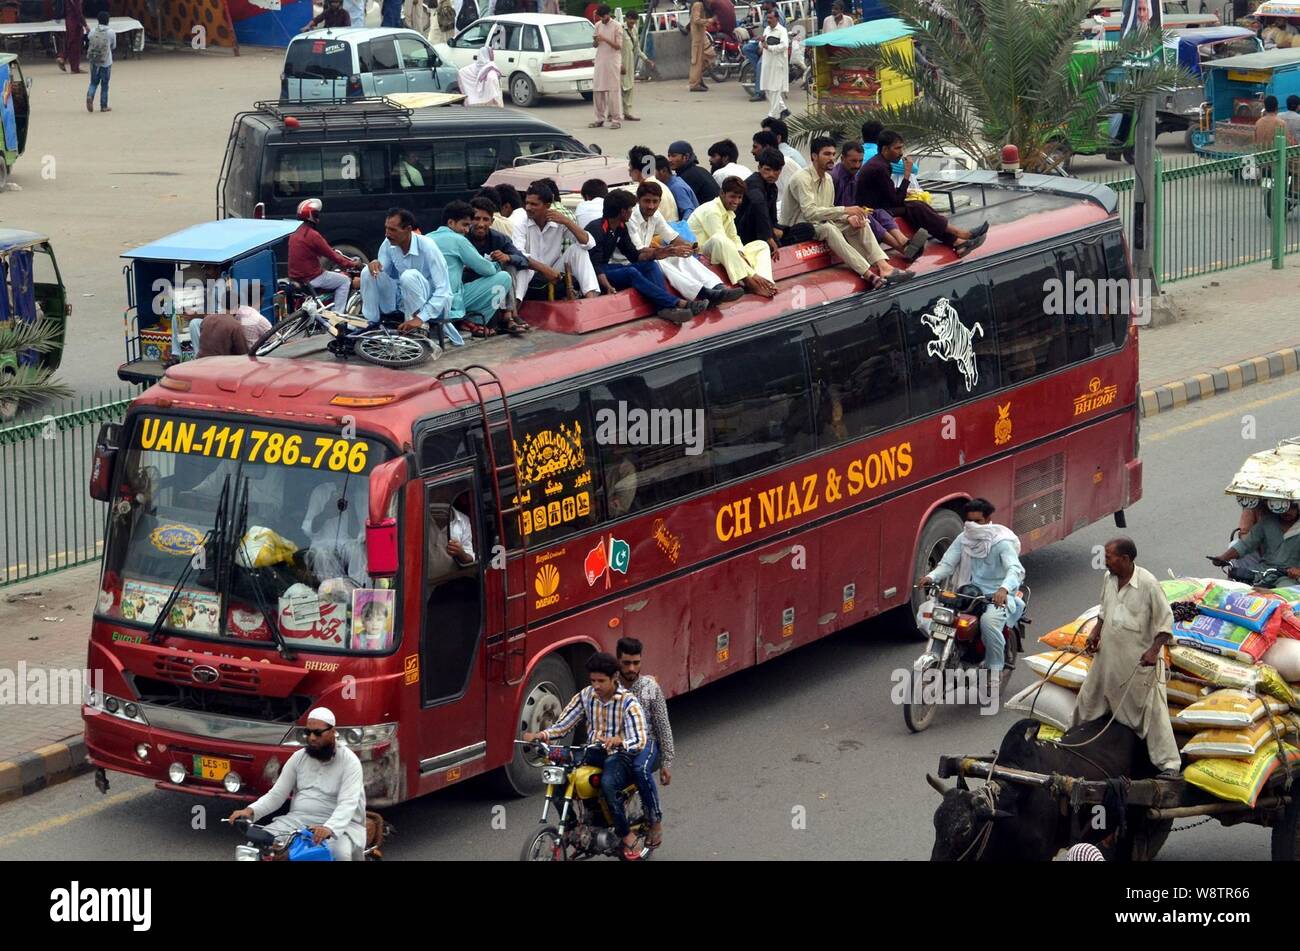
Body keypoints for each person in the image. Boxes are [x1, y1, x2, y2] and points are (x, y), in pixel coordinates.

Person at [523, 652, 652, 860]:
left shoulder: (629, 703)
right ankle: (573, 827)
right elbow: (563, 724)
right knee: (559, 772)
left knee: (609, 784)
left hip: (620, 755)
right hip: (593, 751)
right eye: (593, 681)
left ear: (614, 679)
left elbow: (640, 740)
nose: (596, 686)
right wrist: (541, 735)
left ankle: (625, 834)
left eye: (601, 681)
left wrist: (620, 741)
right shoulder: (586, 696)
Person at [1073, 538, 1182, 779]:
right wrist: (1095, 632)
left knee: (1152, 713)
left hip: (1138, 663)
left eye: (1109, 557)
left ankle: (1170, 765)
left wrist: (1153, 652)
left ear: (1125, 559)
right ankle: (1073, 742)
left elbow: (1165, 624)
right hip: (1107, 657)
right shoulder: (1109, 579)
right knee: (1089, 697)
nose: (1105, 562)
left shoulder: (1148, 585)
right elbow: (1104, 609)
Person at [228, 708, 366, 861]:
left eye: (318, 733)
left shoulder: (350, 762)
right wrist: (250, 811)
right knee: (256, 846)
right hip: (297, 821)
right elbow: (276, 795)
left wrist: (329, 828)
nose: (312, 738)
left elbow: (348, 803)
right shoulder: (298, 758)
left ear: (333, 732)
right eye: (308, 733)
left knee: (340, 854)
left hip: (341, 826)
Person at [784, 136, 915, 288]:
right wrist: (846, 211)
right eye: (826, 154)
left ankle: (884, 267)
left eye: (833, 154)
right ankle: (868, 273)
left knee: (861, 221)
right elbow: (811, 213)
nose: (831, 158)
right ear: (814, 156)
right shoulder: (802, 179)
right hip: (798, 228)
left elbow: (828, 211)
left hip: (819, 224)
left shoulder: (827, 179)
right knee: (830, 229)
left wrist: (848, 218)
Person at [917, 498, 1025, 681]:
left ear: (988, 519)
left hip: (995, 595)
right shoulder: (963, 538)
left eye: (978, 521)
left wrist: (1004, 589)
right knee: (942, 618)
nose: (973, 525)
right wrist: (931, 577)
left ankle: (994, 670)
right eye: (969, 521)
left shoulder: (1001, 542)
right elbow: (947, 563)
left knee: (989, 623)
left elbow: (1015, 569)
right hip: (966, 591)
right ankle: (949, 654)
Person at [856, 131, 988, 256]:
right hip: (875, 210)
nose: (901, 153)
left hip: (881, 204)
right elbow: (895, 200)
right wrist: (906, 175)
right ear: (885, 149)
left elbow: (886, 191)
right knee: (916, 208)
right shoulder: (879, 167)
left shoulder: (880, 163)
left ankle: (958, 242)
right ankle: (960, 234)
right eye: (897, 148)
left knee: (918, 207)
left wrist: (903, 191)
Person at [590, 190, 708, 324]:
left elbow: (634, 255)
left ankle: (664, 308)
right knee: (630, 272)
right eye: (629, 209)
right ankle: (679, 303)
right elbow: (594, 265)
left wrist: (658, 253)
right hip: (595, 272)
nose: (631, 211)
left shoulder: (620, 228)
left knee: (650, 265)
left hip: (606, 268)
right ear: (622, 212)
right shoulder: (597, 229)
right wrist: (607, 286)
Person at [625, 180, 744, 306]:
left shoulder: (655, 214)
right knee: (663, 263)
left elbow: (672, 236)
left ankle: (717, 286)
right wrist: (668, 251)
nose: (651, 206)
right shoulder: (631, 218)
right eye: (647, 201)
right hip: (632, 261)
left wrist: (690, 246)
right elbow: (639, 252)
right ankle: (704, 292)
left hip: (650, 255)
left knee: (683, 256)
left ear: (660, 201)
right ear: (638, 200)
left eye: (655, 201)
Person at [361, 207, 457, 344]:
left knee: (409, 275)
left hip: (432, 303)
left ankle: (418, 328)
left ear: (408, 229)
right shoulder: (388, 243)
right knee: (368, 272)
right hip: (403, 298)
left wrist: (420, 318)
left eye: (393, 230)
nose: (387, 234)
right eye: (386, 228)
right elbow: (382, 272)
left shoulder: (428, 246)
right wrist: (375, 264)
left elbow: (444, 290)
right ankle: (371, 322)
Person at [615, 636, 675, 851]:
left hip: (646, 744)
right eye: (626, 663)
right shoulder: (607, 685)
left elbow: (663, 726)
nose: (632, 668)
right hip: (617, 746)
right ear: (618, 661)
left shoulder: (650, 688)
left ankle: (655, 820)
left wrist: (667, 762)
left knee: (640, 770)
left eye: (636, 663)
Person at [432, 200, 521, 336]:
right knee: (504, 278)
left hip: (429, 302)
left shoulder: (428, 237)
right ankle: (473, 321)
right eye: (465, 225)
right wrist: (496, 263)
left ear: (491, 221)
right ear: (450, 223)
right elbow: (488, 270)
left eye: (485, 219)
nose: (467, 229)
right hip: (450, 301)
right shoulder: (459, 240)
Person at [688, 176, 777, 298]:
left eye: (739, 197)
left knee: (761, 245)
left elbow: (734, 238)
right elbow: (721, 240)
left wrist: (741, 253)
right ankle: (750, 281)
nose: (736, 201)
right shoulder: (711, 210)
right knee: (720, 239)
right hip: (702, 254)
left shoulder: (728, 211)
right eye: (732, 197)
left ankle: (766, 282)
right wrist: (750, 272)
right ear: (722, 194)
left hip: (723, 251)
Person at [832, 140, 924, 258]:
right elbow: (832, 207)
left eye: (860, 161)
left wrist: (862, 209)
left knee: (879, 212)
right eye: (853, 161)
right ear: (843, 158)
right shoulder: (835, 178)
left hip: (853, 212)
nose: (857, 165)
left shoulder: (854, 175)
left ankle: (904, 241)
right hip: (840, 217)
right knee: (867, 217)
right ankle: (903, 249)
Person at [511, 182, 601, 302]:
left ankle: (591, 300)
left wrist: (567, 221)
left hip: (555, 270)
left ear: (547, 205)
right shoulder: (520, 221)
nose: (528, 208)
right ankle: (514, 308)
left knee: (579, 250)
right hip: (531, 271)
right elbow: (519, 255)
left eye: (533, 204)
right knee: (524, 266)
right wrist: (545, 269)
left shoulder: (558, 220)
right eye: (527, 203)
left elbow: (589, 243)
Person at [289, 198, 359, 309]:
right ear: (311, 215)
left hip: (296, 278)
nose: (318, 218)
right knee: (345, 281)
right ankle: (338, 316)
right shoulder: (312, 235)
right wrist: (352, 264)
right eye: (316, 214)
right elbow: (332, 256)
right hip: (312, 278)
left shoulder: (294, 232)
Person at [1211, 502, 1300, 585]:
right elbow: (1245, 544)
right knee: (1238, 584)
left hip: (1288, 576)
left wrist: (1298, 571)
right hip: (1264, 570)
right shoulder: (1268, 522)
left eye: (1293, 507)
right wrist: (1223, 557)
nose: (1288, 511)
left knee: (1286, 594)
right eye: (1284, 507)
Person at [742, 1, 785, 103]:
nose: (761, 5)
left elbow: (775, 35)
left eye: (763, 3)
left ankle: (759, 93)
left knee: (761, 64)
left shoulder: (778, 15)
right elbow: (766, 32)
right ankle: (761, 74)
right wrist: (759, 39)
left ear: (769, 3)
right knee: (746, 48)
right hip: (764, 42)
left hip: (773, 45)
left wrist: (764, 47)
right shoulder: (766, 14)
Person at [589, 5, 624, 129]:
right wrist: (596, 41)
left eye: (604, 16)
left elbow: (618, 46)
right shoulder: (598, 25)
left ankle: (616, 119)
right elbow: (595, 45)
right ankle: (599, 118)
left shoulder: (617, 26)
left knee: (613, 91)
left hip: (612, 61)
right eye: (601, 17)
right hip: (600, 60)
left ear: (609, 14)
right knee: (598, 90)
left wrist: (605, 39)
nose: (603, 19)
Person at [751, 129, 798, 218]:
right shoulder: (756, 182)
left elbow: (793, 198)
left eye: (755, 147)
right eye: (768, 169)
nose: (752, 151)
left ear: (766, 147)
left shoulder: (786, 163)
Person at [627, 146, 678, 221]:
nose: (629, 171)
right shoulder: (661, 186)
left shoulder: (646, 190)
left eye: (630, 168)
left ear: (637, 171)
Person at [621, 11, 653, 121]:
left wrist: (646, 59)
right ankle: (613, 113)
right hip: (620, 63)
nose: (632, 22)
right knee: (618, 89)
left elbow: (637, 48)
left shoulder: (634, 30)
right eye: (630, 19)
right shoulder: (620, 30)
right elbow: (616, 49)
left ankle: (627, 113)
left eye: (634, 20)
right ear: (626, 19)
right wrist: (620, 64)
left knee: (629, 87)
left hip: (630, 63)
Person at [759, 7, 790, 120]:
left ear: (777, 18)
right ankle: (784, 110)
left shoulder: (782, 30)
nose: (769, 20)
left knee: (775, 89)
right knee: (767, 88)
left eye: (771, 18)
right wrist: (762, 42)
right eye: (768, 18)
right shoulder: (767, 29)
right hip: (767, 62)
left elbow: (784, 45)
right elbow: (762, 45)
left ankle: (771, 116)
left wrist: (770, 47)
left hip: (778, 64)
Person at [667, 140, 721, 205]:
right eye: (669, 156)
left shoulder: (689, 176)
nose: (669, 160)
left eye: (673, 156)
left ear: (686, 157)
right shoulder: (700, 170)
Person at [84, 10, 115, 114]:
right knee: (105, 84)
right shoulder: (111, 32)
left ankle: (90, 96)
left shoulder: (93, 31)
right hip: (106, 61)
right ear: (108, 21)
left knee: (93, 82)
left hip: (94, 61)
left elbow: (89, 39)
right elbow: (113, 46)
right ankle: (103, 106)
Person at [655, 154, 697, 220]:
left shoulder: (676, 188)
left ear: (663, 171)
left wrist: (681, 228)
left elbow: (689, 211)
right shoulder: (674, 181)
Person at [688, 0, 713, 92]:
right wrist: (708, 20)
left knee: (706, 57)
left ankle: (698, 79)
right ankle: (694, 84)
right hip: (698, 39)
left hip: (700, 37)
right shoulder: (698, 4)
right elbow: (696, 20)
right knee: (697, 62)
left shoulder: (700, 4)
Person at [57, 0, 87, 74]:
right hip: (75, 22)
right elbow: (78, 12)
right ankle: (74, 68)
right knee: (75, 45)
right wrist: (85, 25)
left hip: (69, 20)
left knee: (70, 41)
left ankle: (62, 57)